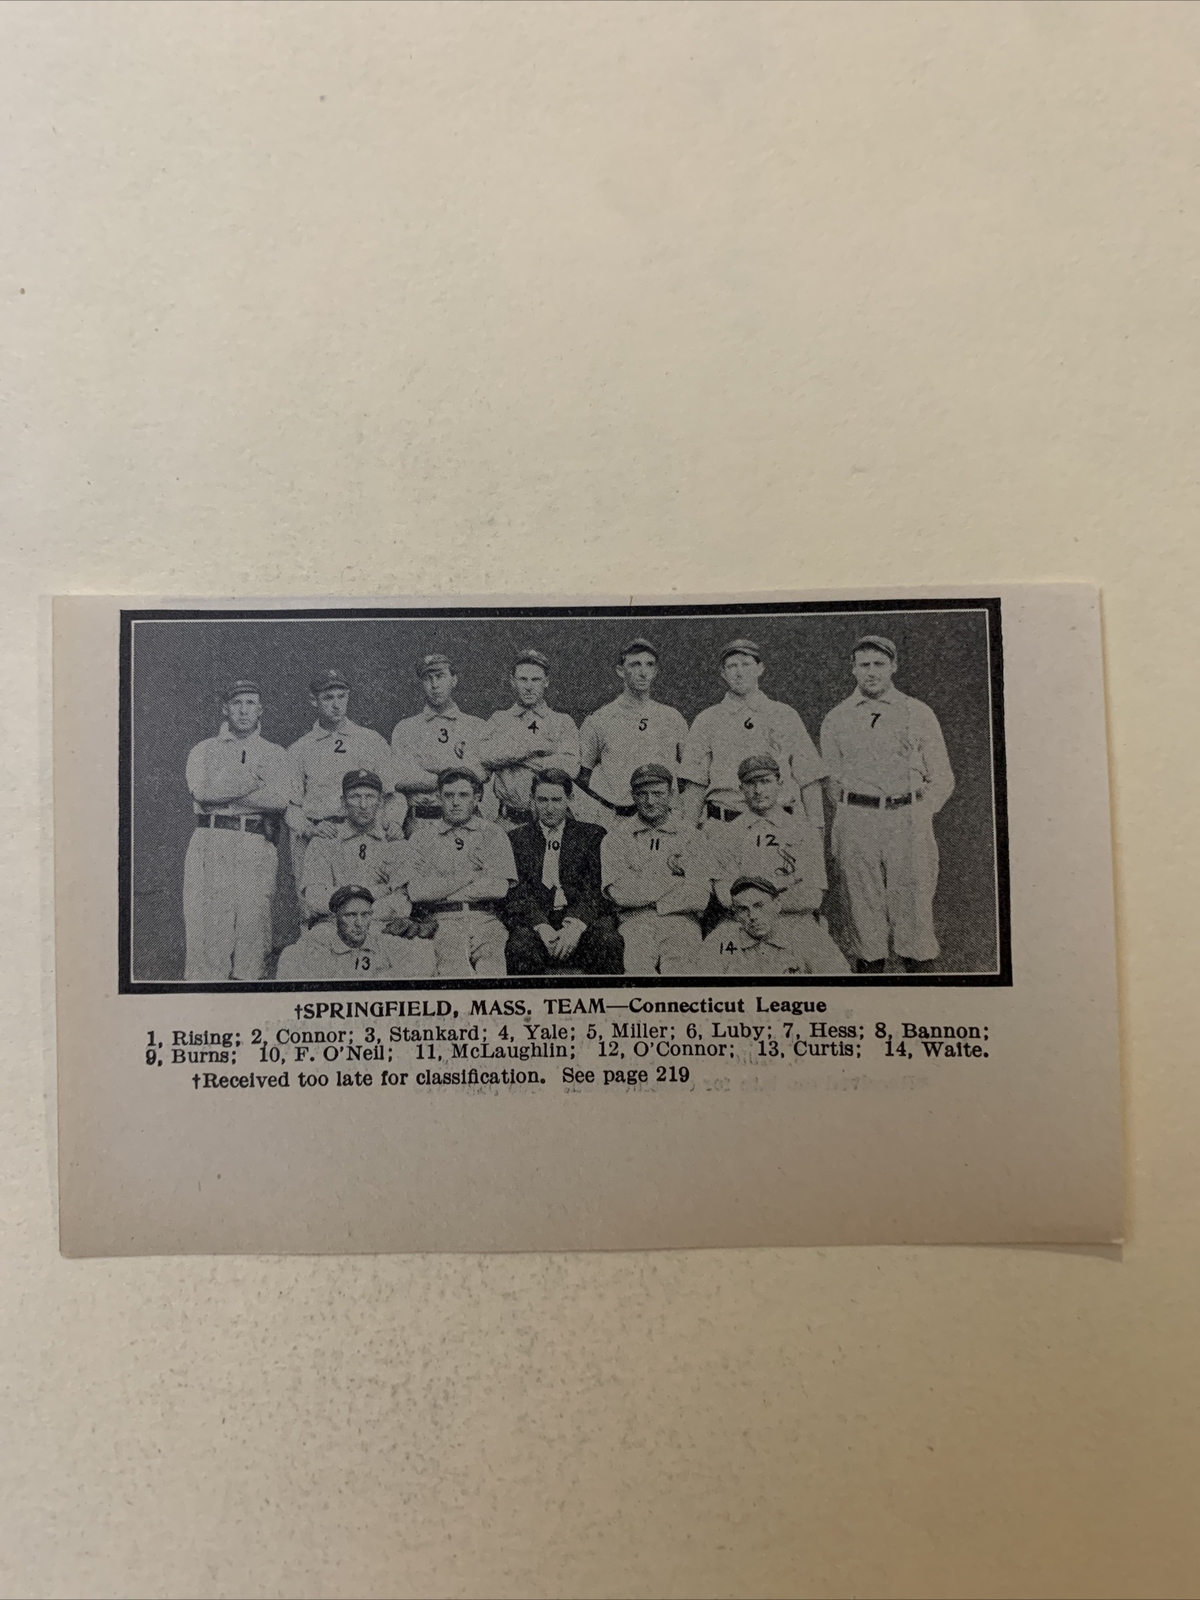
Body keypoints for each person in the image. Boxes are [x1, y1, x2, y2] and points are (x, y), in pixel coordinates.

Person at [819, 634, 955, 973]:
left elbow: (943, 775)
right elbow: (831, 781)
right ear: (853, 670)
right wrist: (853, 814)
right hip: (857, 819)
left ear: (893, 666)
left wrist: (920, 812)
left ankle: (920, 1000)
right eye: (864, 665)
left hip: (906, 818)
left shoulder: (918, 712)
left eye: (879, 664)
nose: (871, 672)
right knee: (863, 915)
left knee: (914, 914)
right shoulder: (836, 717)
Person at [183, 678, 290, 981]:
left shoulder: (274, 753)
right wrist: (251, 782)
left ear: (261, 710)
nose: (244, 711)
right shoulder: (204, 750)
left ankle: (249, 987)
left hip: (255, 841)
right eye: (237, 703)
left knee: (253, 924)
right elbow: (202, 793)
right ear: (225, 709)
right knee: (209, 924)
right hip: (212, 838)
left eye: (250, 703)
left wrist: (224, 793)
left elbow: (279, 799)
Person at [708, 754, 849, 975]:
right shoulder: (727, 834)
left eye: (765, 782)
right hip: (743, 926)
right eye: (750, 783)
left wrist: (761, 905)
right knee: (706, 971)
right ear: (740, 788)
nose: (758, 790)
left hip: (795, 923)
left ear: (780, 784)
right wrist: (764, 905)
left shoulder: (804, 831)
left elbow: (813, 896)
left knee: (837, 975)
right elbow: (725, 894)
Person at [679, 638, 826, 837]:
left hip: (779, 826)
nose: (739, 673)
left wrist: (816, 828)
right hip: (725, 826)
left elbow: (809, 778)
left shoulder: (784, 715)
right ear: (723, 673)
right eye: (732, 666)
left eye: (746, 664)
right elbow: (695, 784)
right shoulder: (708, 719)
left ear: (760, 669)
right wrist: (688, 831)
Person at [285, 668, 400, 894]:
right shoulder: (300, 749)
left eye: (342, 696)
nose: (336, 705)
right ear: (313, 700)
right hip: (319, 834)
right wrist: (309, 828)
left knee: (365, 903)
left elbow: (392, 795)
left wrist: (392, 822)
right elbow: (291, 806)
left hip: (364, 833)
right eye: (328, 698)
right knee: (315, 909)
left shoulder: (371, 740)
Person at [501, 770, 624, 976]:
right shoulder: (517, 839)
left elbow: (595, 889)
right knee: (519, 946)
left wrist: (575, 926)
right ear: (532, 800)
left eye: (557, 800)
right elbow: (518, 893)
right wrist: (541, 926)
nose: (549, 808)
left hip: (581, 921)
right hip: (538, 923)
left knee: (607, 940)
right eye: (542, 800)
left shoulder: (592, 835)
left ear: (570, 798)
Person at [599, 763, 714, 976]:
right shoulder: (616, 838)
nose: (650, 801)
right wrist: (674, 882)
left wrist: (648, 893)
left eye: (657, 793)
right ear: (632, 796)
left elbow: (699, 896)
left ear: (671, 795)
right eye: (642, 794)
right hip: (634, 922)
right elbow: (619, 894)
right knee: (637, 973)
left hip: (682, 922)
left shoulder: (692, 837)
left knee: (683, 976)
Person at [405, 767, 518, 977]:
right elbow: (417, 892)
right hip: (442, 920)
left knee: (493, 971)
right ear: (439, 797)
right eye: (448, 795)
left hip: (486, 919)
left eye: (463, 795)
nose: (455, 802)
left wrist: (440, 887)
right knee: (455, 971)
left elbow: (499, 888)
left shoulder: (493, 834)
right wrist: (472, 875)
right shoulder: (421, 838)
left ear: (476, 798)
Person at [574, 636, 689, 828]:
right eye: (635, 665)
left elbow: (688, 774)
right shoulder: (600, 719)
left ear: (655, 671)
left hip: (664, 820)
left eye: (649, 665)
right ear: (621, 670)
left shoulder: (672, 718)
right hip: (617, 820)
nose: (643, 672)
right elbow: (582, 775)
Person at [299, 769, 427, 940]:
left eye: (370, 797)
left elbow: (401, 904)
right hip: (332, 928)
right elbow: (315, 899)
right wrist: (381, 891)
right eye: (355, 797)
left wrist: (349, 908)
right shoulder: (323, 842)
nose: (363, 805)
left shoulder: (395, 844)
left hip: (383, 927)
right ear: (343, 803)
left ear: (381, 802)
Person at [478, 649, 580, 831]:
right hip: (509, 821)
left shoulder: (561, 721)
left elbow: (571, 768)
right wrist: (532, 746)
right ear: (512, 681)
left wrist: (513, 757)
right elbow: (484, 756)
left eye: (536, 680)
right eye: (523, 679)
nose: (529, 686)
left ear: (546, 681)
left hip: (552, 823)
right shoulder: (499, 719)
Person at [389, 652, 488, 835]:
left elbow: (480, 775)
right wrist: (456, 772)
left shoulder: (476, 726)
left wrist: (430, 767)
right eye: (428, 679)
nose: (435, 685)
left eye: (440, 677)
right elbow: (400, 780)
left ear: (454, 680)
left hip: (465, 825)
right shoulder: (405, 728)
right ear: (422, 684)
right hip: (421, 824)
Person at [276, 885, 436, 981]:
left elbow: (424, 957)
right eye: (350, 915)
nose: (359, 923)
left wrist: (378, 981)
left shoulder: (380, 942)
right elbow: (289, 961)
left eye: (365, 915)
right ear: (335, 917)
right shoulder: (320, 946)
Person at [704, 875, 848, 977]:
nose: (752, 915)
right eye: (743, 909)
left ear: (777, 904)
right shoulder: (723, 938)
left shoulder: (806, 934)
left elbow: (841, 985)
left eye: (759, 906)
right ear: (735, 915)